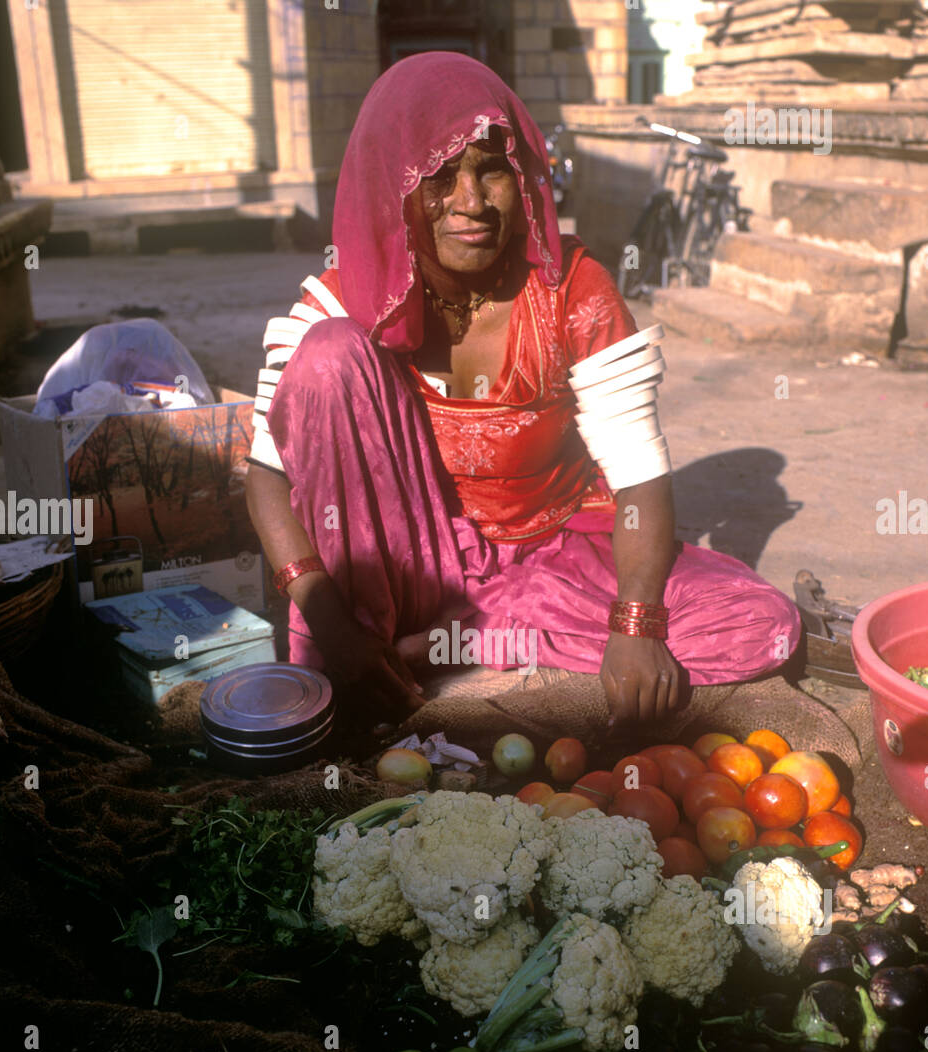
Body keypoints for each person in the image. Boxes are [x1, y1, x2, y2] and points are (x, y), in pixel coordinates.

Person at [245, 52, 801, 730]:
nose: (471, 202)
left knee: (760, 623)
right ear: (393, 187)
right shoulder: (342, 300)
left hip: (553, 558)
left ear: (524, 174)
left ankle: (457, 647)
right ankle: (383, 648)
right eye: (439, 177)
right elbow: (268, 478)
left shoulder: (571, 291)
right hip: (404, 570)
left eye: (491, 169)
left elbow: (637, 478)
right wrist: (331, 626)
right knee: (328, 358)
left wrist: (636, 624)